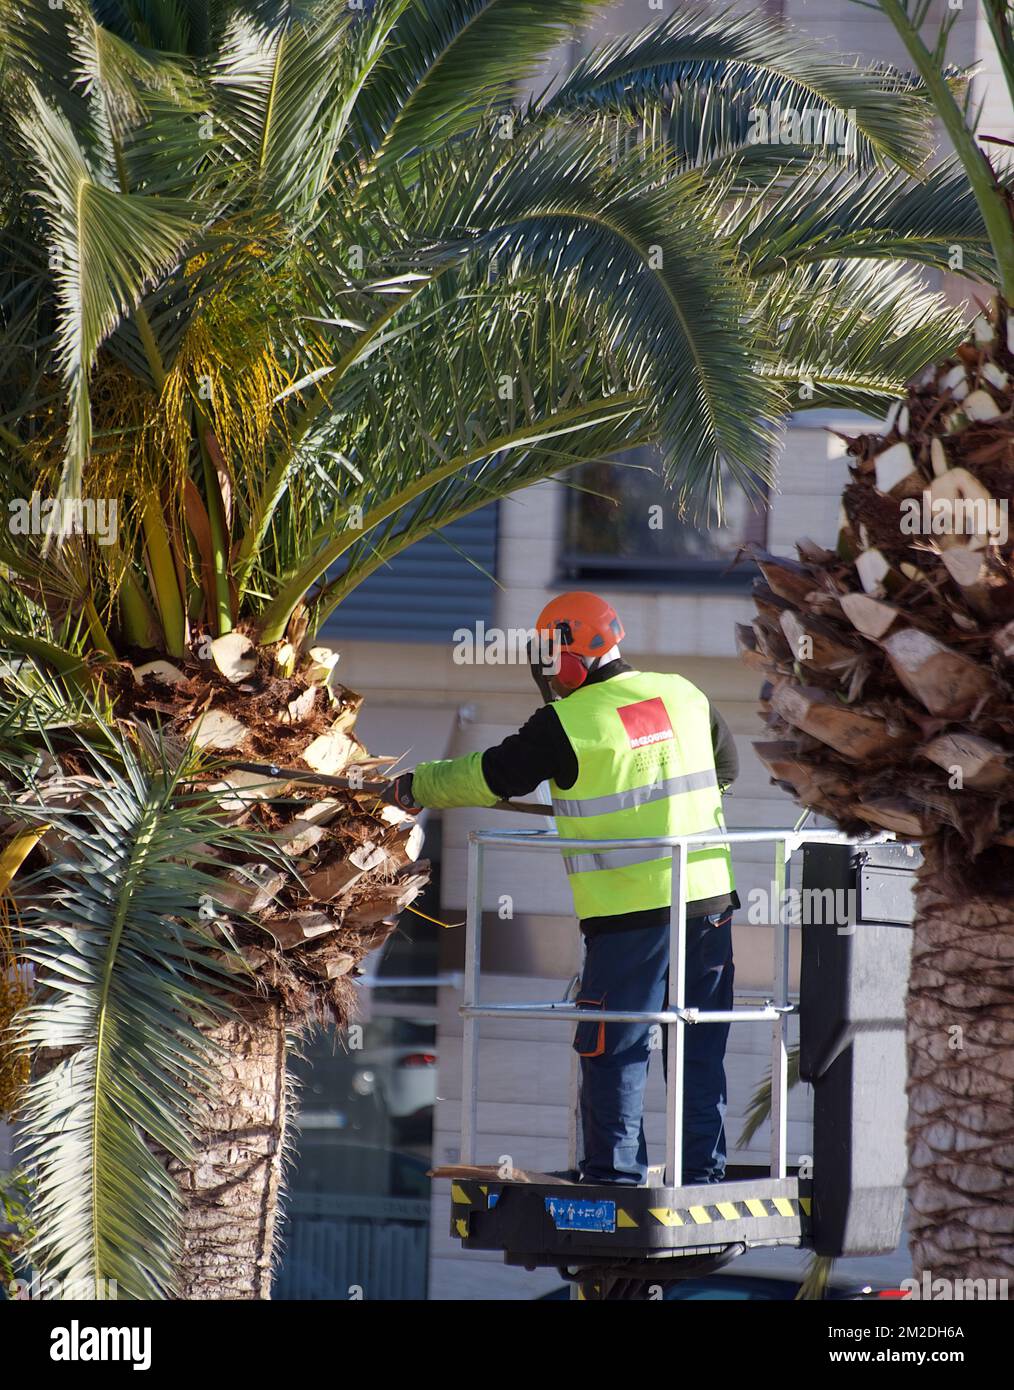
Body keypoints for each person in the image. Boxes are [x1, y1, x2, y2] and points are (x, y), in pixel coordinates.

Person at [388, 591, 739, 1185]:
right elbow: (724, 772)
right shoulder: (684, 692)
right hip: (710, 908)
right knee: (698, 1049)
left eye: (551, 658)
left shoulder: (567, 723)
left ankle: (613, 1177)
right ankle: (702, 1176)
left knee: (616, 1049)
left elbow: (490, 774)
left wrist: (413, 786)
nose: (548, 672)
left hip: (632, 917)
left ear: (573, 654)